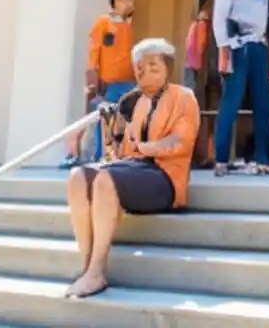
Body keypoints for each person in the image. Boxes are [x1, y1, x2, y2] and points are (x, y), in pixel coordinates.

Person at [64, 38, 199, 299]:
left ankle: (96, 271)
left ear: (167, 67)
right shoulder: (138, 104)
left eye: (152, 64)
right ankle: (87, 266)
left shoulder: (184, 97)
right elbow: (126, 153)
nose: (144, 70)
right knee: (79, 176)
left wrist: (147, 148)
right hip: (139, 169)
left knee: (105, 179)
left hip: (166, 178)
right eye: (139, 66)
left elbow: (181, 142)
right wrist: (111, 133)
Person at [211, 0, 269, 176]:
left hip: (258, 46)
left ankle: (264, 158)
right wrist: (224, 48)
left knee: (263, 103)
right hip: (237, 45)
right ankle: (221, 159)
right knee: (231, 101)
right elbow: (219, 17)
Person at [61, 0, 136, 169]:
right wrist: (93, 81)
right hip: (108, 83)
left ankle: (120, 156)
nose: (131, 4)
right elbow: (93, 53)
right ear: (116, 0)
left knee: (124, 120)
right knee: (102, 121)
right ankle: (95, 157)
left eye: (132, 0)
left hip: (128, 81)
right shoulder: (103, 23)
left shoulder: (127, 25)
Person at [183, 0, 210, 89]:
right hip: (194, 60)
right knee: (191, 84)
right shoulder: (201, 26)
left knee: (188, 83)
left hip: (190, 60)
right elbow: (200, 44)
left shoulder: (195, 25)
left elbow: (190, 43)